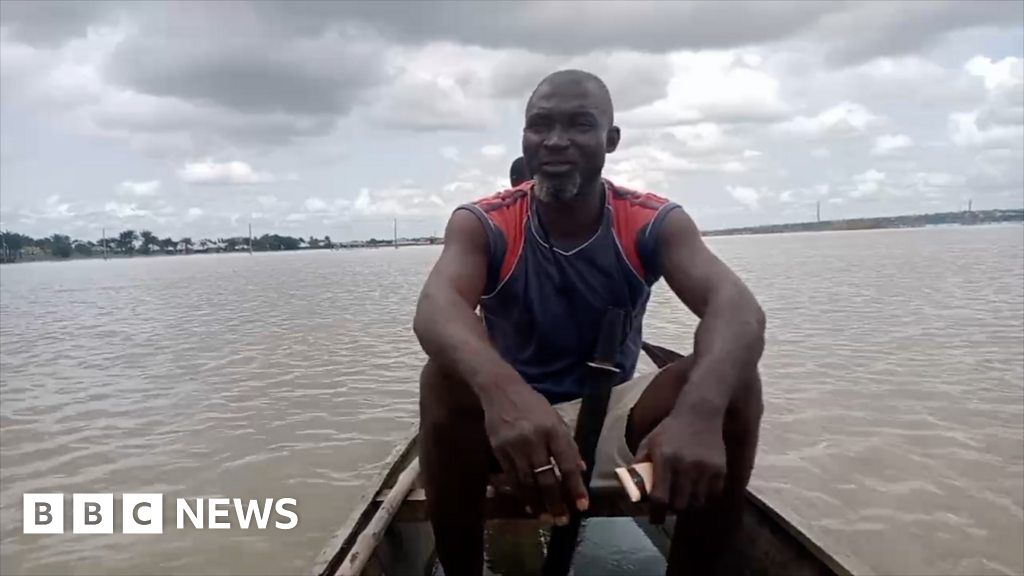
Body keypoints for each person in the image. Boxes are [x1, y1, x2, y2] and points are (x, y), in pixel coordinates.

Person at [414, 69, 766, 575]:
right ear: (524, 138)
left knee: (736, 380)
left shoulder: (651, 220)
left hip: (615, 415)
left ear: (611, 139)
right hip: (509, 421)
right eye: (540, 126)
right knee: (442, 381)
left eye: (579, 124)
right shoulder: (484, 222)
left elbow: (737, 308)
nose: (556, 141)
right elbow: (436, 307)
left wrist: (699, 414)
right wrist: (507, 397)